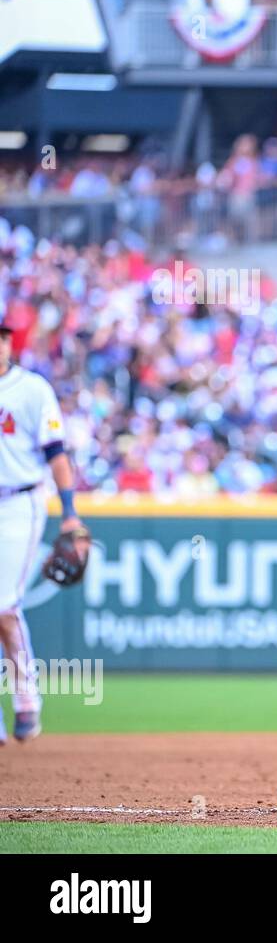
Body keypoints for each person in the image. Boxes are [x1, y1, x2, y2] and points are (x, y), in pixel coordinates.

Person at [0, 318, 86, 744]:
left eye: (1, 337)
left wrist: (69, 511)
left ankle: (25, 697)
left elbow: (56, 453)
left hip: (19, 502)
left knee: (3, 605)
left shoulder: (32, 389)